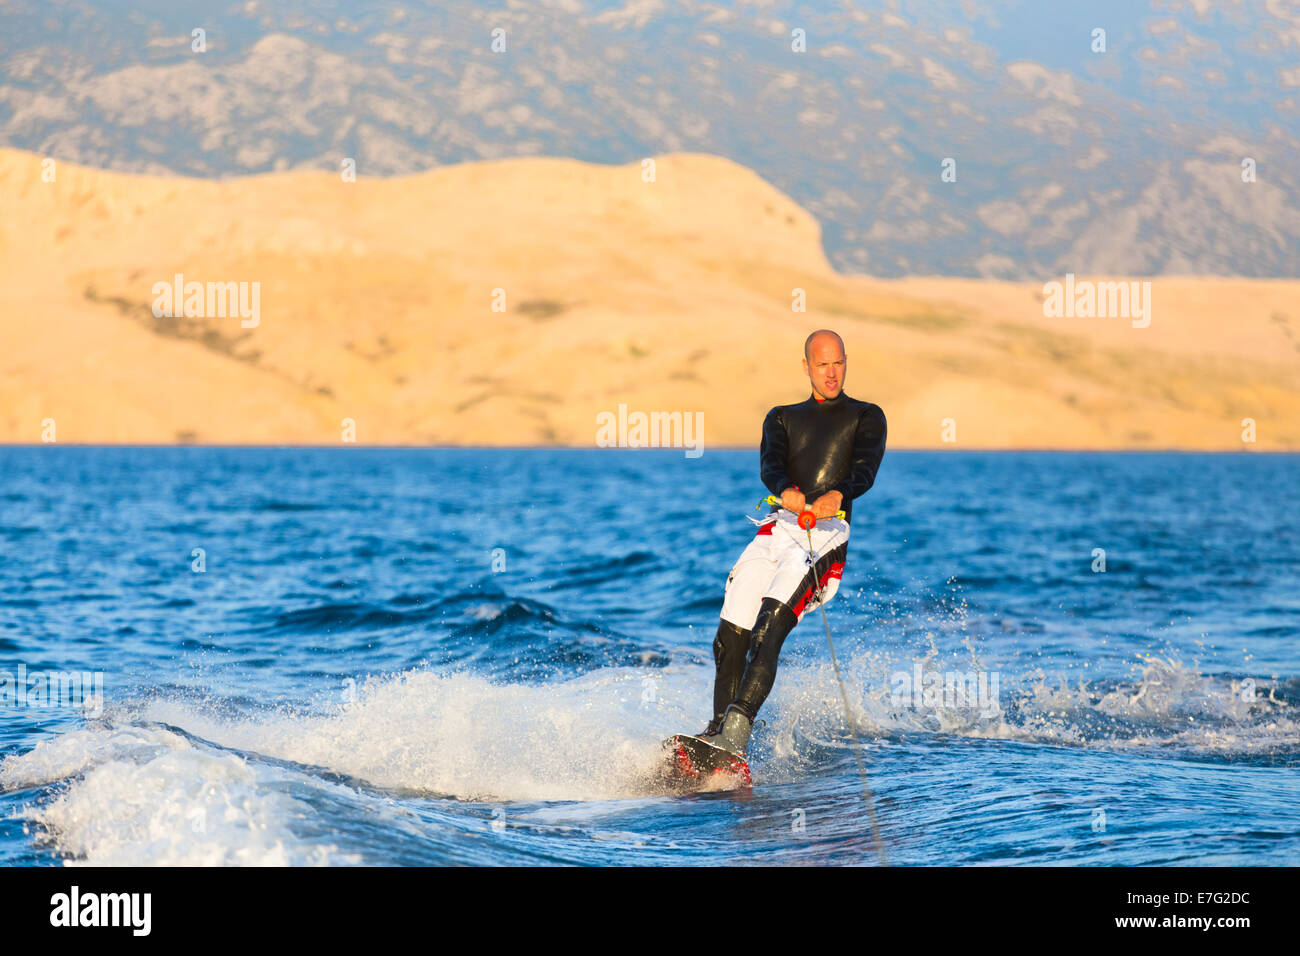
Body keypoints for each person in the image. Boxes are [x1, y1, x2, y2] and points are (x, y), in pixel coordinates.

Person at [703, 329, 887, 757]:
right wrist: (786, 487)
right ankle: (716, 733)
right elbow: (771, 465)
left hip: (826, 533)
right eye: (822, 364)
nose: (831, 373)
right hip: (780, 525)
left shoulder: (867, 416)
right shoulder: (781, 417)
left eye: (838, 363)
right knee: (730, 636)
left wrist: (837, 495)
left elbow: (865, 468)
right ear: (806, 366)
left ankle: (736, 736)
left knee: (770, 626)